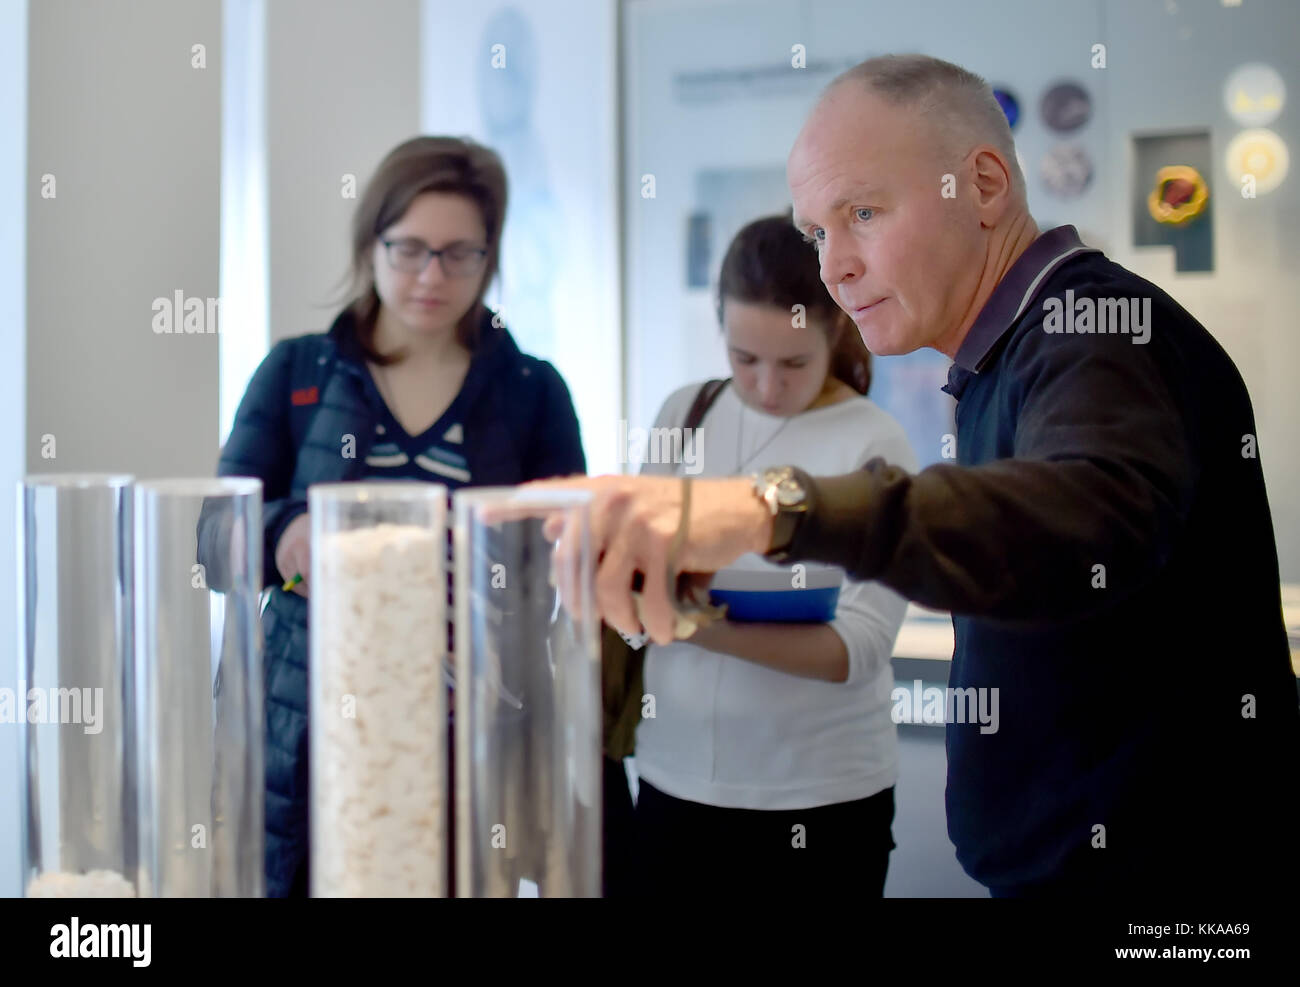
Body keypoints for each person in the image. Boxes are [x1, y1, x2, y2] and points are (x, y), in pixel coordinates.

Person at [525, 55, 1300, 898]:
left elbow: (1090, 512)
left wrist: (767, 509)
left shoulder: (1096, 331)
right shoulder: (1010, 356)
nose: (833, 268)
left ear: (986, 184)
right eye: (818, 232)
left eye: (863, 212)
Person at [208, 136, 586, 897]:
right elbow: (214, 538)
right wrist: (286, 534)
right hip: (310, 723)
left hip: (465, 729)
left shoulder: (530, 391)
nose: (430, 276)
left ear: (490, 258)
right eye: (409, 248)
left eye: (459, 254)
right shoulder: (298, 373)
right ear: (370, 243)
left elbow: (571, 555)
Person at [628, 214, 917, 896]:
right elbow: (642, 565)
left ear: (836, 330)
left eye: (792, 363)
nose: (764, 387)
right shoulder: (685, 412)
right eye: (742, 358)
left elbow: (859, 647)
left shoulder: (874, 443)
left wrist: (701, 624)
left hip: (819, 801)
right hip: (675, 783)